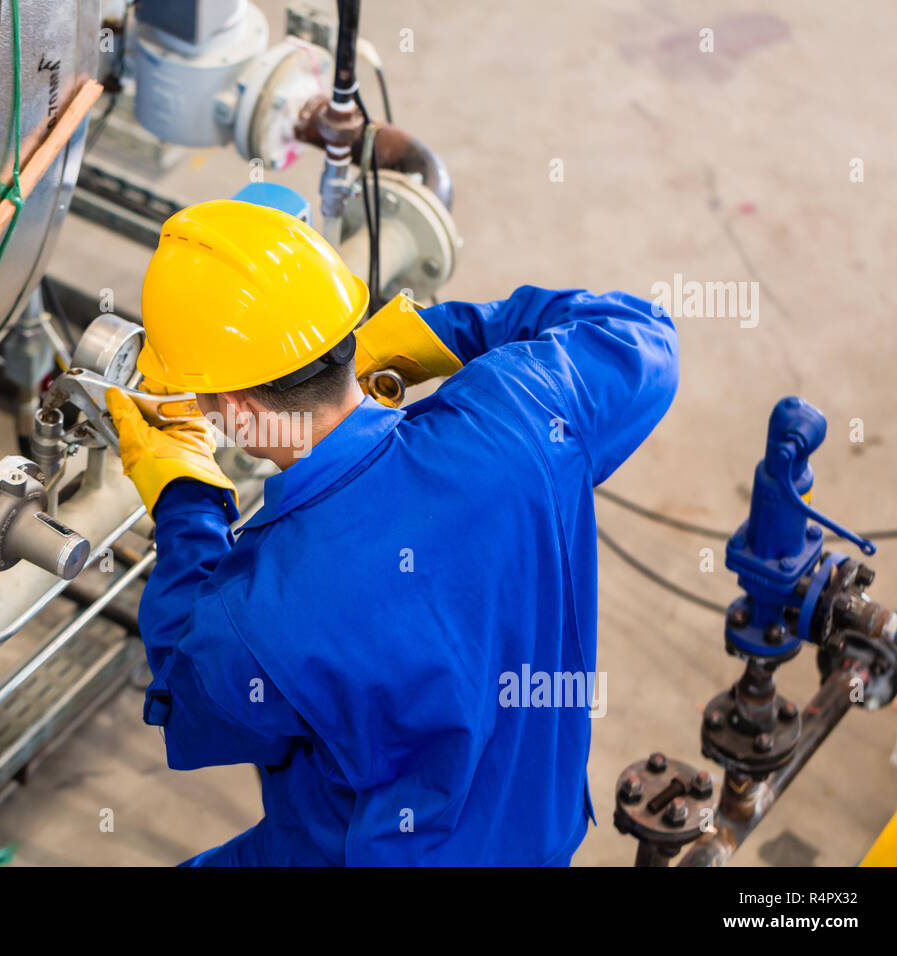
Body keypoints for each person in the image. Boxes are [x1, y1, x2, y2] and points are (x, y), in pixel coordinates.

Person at [104, 199, 678, 865]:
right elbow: (639, 331)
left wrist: (185, 495)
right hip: (537, 828)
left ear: (233, 409)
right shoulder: (526, 413)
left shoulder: (259, 612)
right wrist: (437, 336)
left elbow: (185, 687)